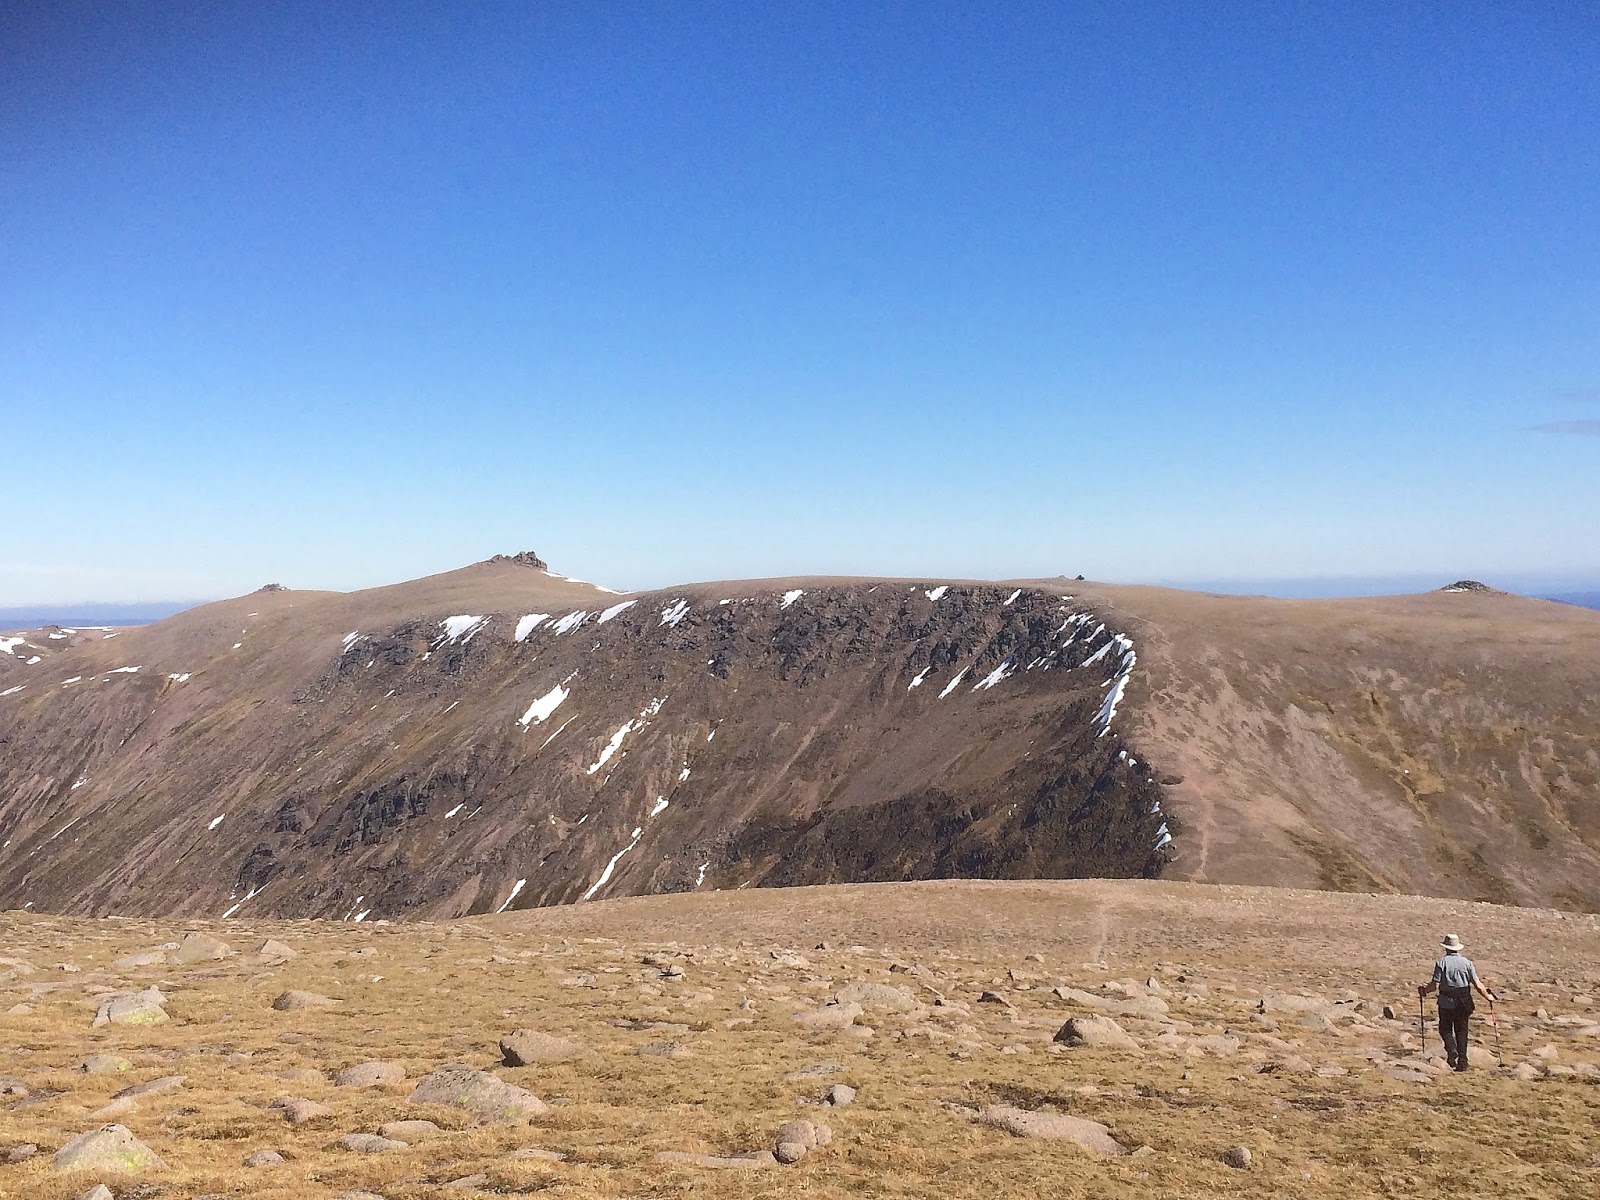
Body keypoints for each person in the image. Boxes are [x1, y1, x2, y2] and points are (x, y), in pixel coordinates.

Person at [1418, 932, 1496, 1071]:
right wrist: (1488, 997)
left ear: (1446, 948)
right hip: (1464, 1002)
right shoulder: (1467, 963)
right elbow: (1477, 984)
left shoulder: (1441, 963)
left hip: (1446, 1002)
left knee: (1445, 1029)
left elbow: (1434, 985)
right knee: (1462, 1031)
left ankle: (1451, 1049)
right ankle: (1463, 1062)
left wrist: (1424, 991)